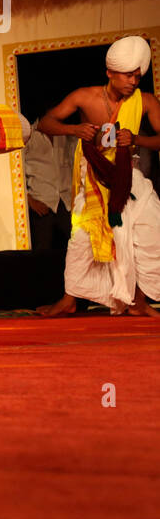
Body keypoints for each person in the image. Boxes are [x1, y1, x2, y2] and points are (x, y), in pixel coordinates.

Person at [37, 35, 160, 318]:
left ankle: (138, 301)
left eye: (137, 76)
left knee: (148, 231)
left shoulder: (147, 101)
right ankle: (69, 299)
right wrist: (74, 130)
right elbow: (46, 123)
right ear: (110, 73)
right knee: (82, 238)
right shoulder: (84, 96)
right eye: (128, 75)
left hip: (130, 177)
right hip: (93, 178)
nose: (133, 81)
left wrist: (137, 138)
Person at [22, 116, 75, 256]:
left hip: (66, 200)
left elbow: (72, 162)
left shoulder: (63, 134)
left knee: (77, 248)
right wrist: (28, 199)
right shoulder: (29, 135)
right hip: (41, 200)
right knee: (42, 251)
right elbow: (17, 168)